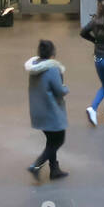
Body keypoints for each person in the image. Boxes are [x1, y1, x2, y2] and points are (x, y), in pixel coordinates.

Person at [26, 40, 70, 180]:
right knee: (58, 140)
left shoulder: (35, 67)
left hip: (38, 111)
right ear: (53, 52)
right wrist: (66, 88)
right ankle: (36, 166)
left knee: (51, 140)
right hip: (51, 112)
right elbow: (59, 90)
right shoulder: (52, 69)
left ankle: (54, 169)